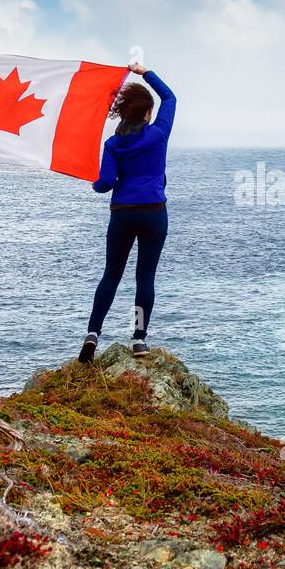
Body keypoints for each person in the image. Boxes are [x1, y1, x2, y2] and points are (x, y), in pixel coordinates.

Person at [78, 62, 175, 363]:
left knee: (111, 275)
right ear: (147, 113)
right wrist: (145, 73)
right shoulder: (158, 133)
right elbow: (170, 98)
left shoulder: (113, 144)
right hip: (154, 214)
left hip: (122, 214)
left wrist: (97, 182)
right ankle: (138, 339)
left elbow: (104, 184)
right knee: (145, 277)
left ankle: (93, 333)